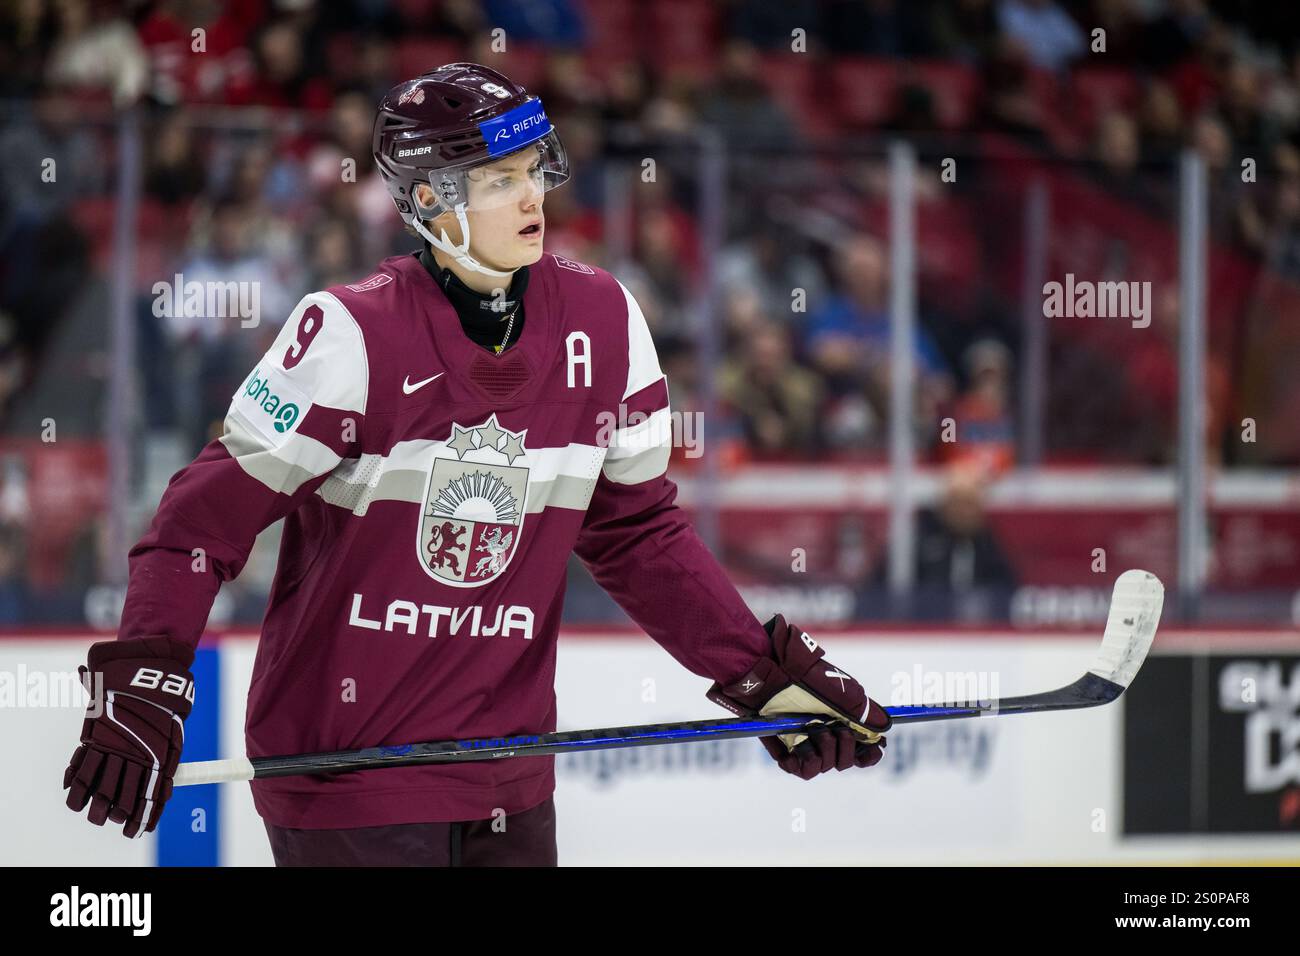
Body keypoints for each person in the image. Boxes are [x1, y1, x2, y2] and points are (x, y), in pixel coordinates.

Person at [62, 63, 892, 867]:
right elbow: (198, 527)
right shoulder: (350, 336)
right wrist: (147, 676)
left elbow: (637, 536)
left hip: (510, 776)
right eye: (499, 180)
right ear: (430, 200)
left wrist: (761, 675)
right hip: (349, 779)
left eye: (534, 171)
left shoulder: (604, 323)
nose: (533, 197)